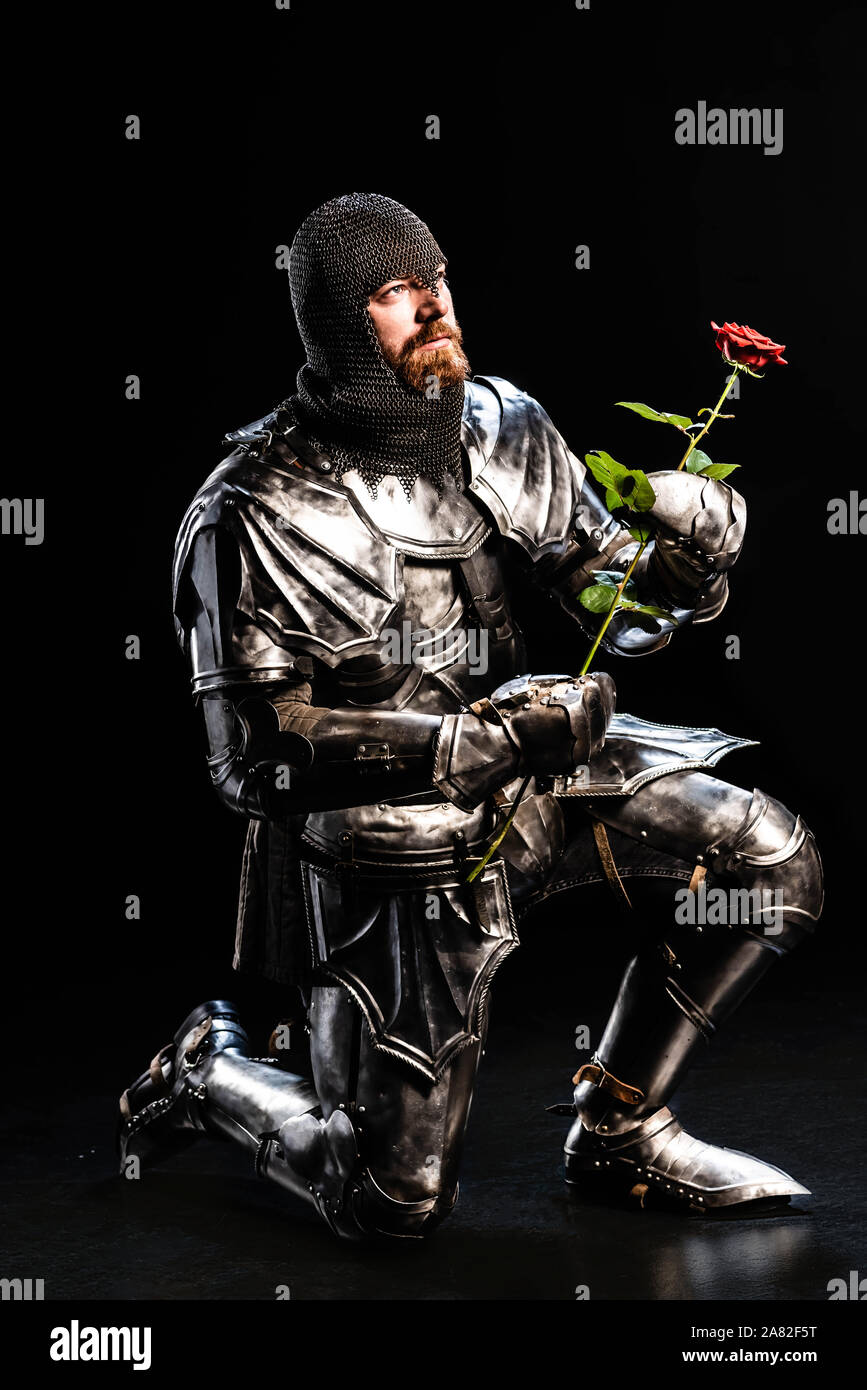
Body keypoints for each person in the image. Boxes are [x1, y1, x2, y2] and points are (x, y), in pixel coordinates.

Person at [118, 193, 823, 1241]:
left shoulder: (498, 424)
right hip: (391, 831)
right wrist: (469, 740)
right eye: (395, 295)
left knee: (774, 860)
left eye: (435, 280)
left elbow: (611, 606)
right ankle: (211, 1065)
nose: (433, 309)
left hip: (540, 772)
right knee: (388, 1200)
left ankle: (619, 1122)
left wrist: (685, 566)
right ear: (336, 325)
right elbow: (252, 757)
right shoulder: (255, 507)